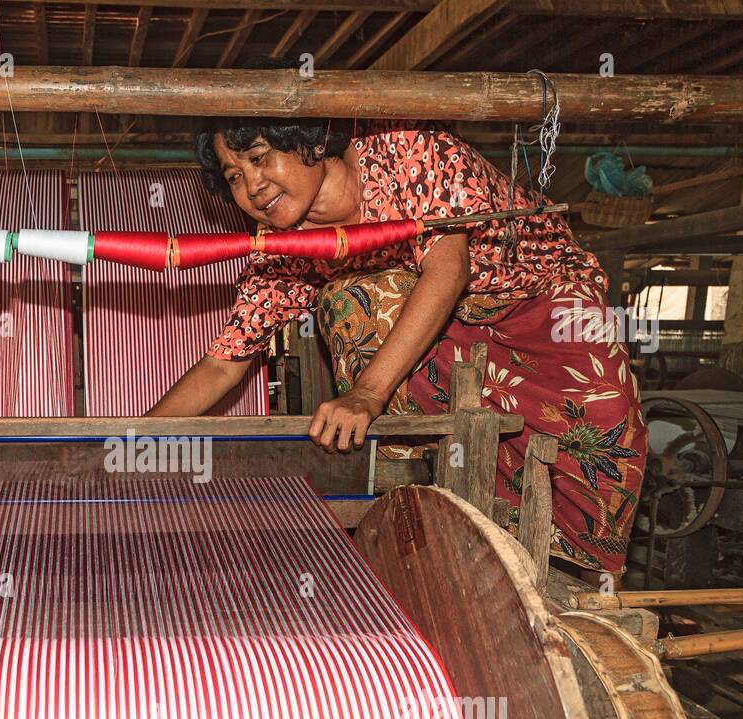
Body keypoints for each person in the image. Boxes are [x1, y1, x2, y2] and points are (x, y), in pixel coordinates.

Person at [147, 115, 645, 578]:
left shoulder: (409, 150)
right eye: (234, 176)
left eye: (258, 159)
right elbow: (224, 363)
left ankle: (589, 581)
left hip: (541, 298)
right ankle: (416, 489)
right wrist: (129, 439)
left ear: (314, 142)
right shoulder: (285, 247)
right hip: (446, 334)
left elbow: (448, 269)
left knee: (604, 426)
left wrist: (367, 393)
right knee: (352, 299)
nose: (251, 187)